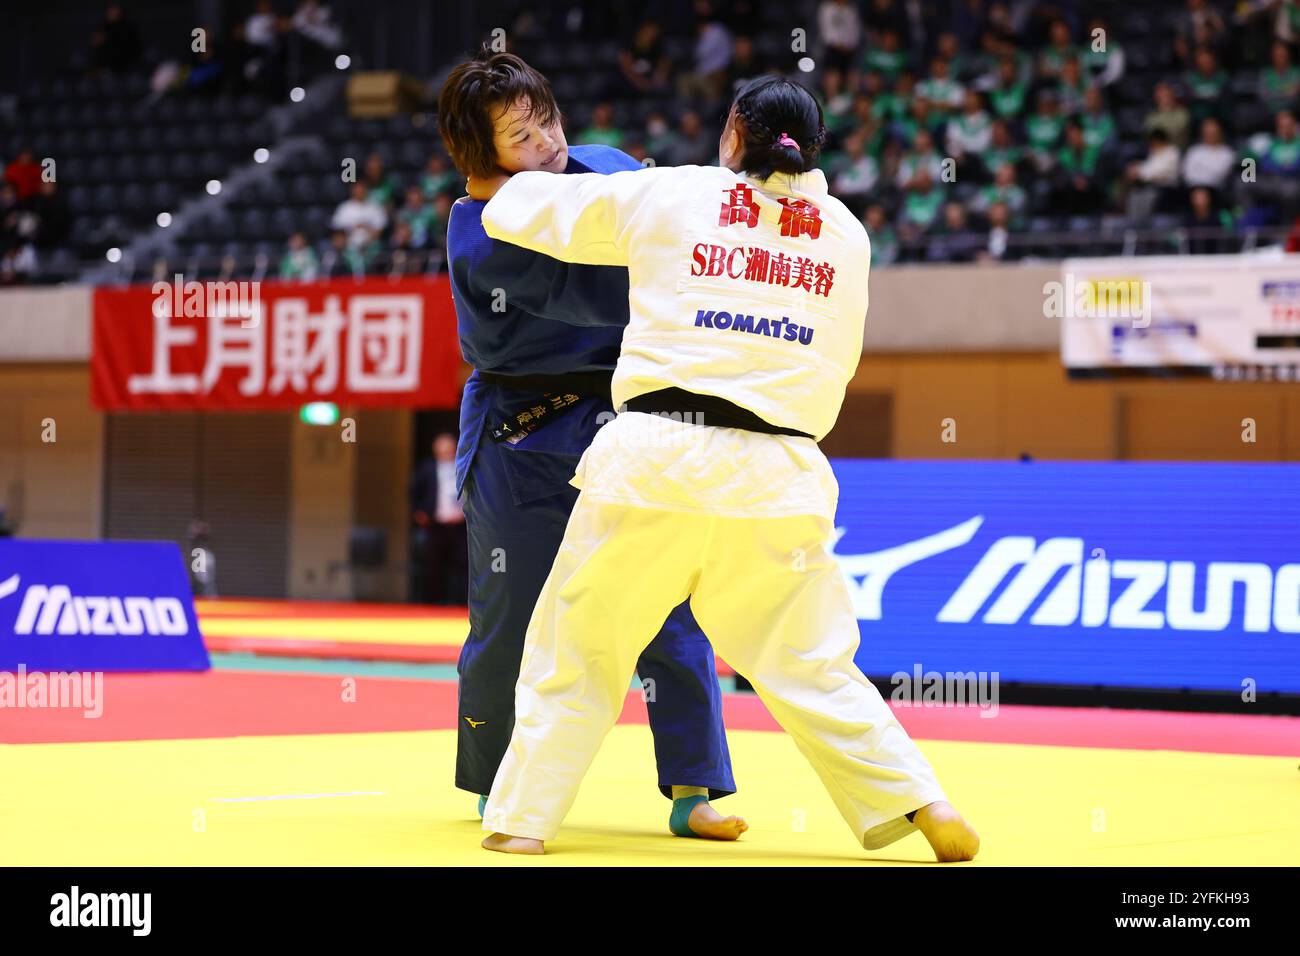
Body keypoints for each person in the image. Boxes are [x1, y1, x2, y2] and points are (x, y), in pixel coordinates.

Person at [474, 74, 980, 861]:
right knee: (814, 667)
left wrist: (489, 180)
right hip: (780, 472)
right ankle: (923, 801)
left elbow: (531, 213)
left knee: (578, 647)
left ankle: (521, 823)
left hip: (659, 461)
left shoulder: (670, 195)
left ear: (732, 137)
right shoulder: (848, 235)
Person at [437, 49, 743, 838]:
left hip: (625, 417)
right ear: (479, 155)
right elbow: (601, 289)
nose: (546, 144)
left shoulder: (605, 166)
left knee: (668, 603)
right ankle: (498, 779)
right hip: (521, 432)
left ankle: (694, 789)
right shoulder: (483, 228)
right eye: (519, 137)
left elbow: (675, 221)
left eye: (547, 121)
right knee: (510, 618)